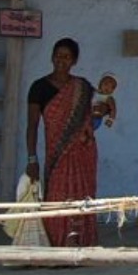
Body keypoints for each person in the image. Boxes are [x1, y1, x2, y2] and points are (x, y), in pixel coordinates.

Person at [25, 37, 98, 247]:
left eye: (66, 57)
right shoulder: (39, 87)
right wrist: (32, 159)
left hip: (82, 155)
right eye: (58, 56)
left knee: (81, 197)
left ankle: (80, 244)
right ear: (52, 57)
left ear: (74, 61)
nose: (61, 60)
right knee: (56, 198)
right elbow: (32, 126)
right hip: (56, 157)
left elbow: (92, 120)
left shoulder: (82, 88)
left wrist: (103, 113)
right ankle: (57, 245)